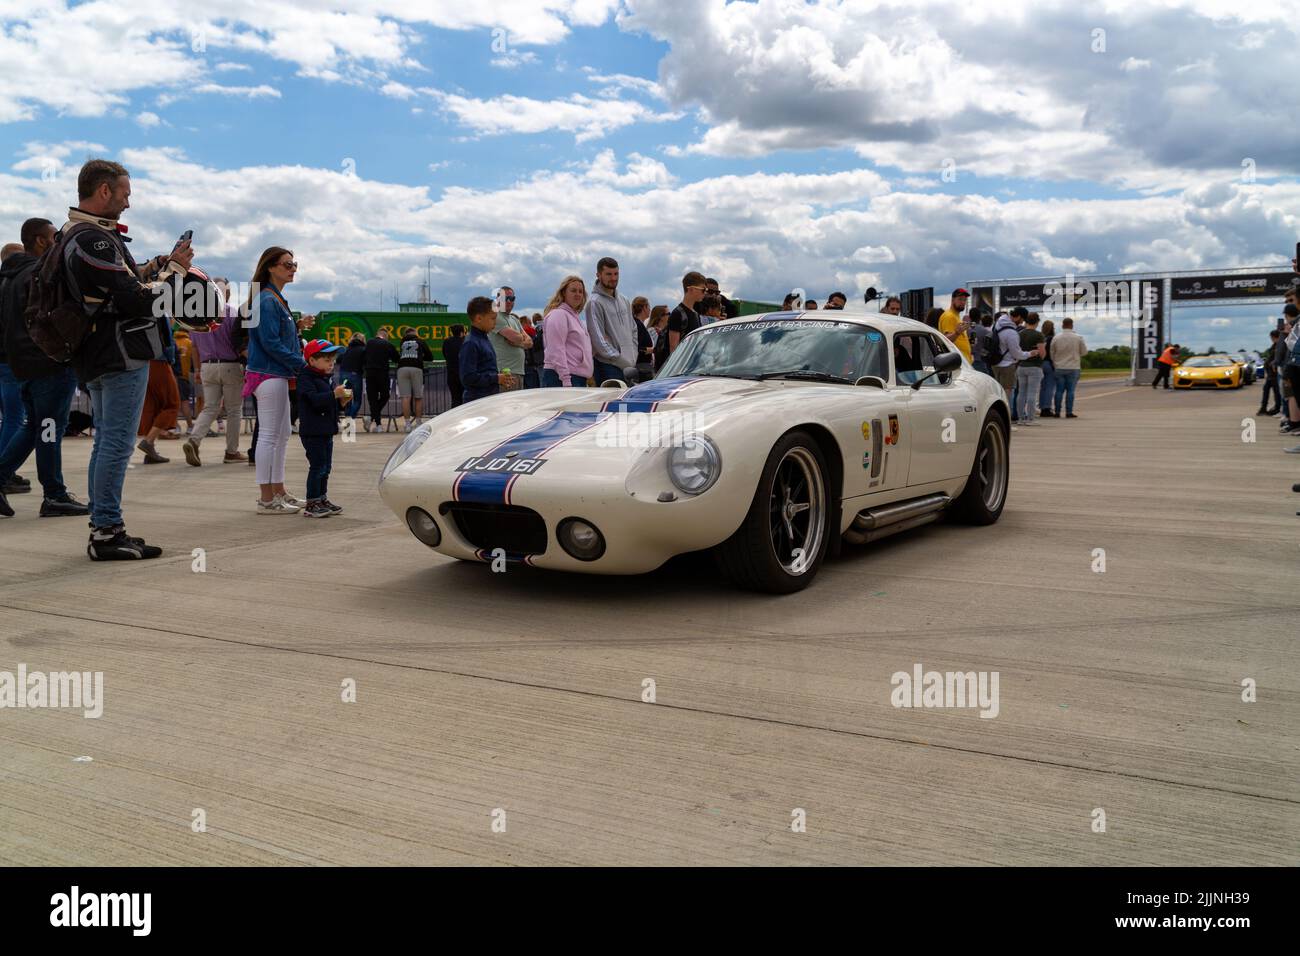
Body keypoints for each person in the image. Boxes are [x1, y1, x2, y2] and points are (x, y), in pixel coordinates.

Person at [62, 159, 194, 559]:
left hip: (98, 353)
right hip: (120, 353)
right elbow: (136, 299)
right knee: (117, 443)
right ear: (104, 191)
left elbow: (122, 280)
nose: (128, 204)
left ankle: (105, 526)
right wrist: (173, 271)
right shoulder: (93, 239)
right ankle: (105, 533)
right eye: (125, 194)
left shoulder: (79, 234)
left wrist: (155, 265)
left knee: (107, 443)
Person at [0, 218, 88, 518]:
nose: (59, 241)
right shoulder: (39, 274)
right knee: (49, 429)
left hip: (23, 366)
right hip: (49, 364)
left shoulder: (9, 277)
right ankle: (54, 495)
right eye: (55, 237)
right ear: (40, 241)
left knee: (34, 427)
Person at [244, 246, 306, 514]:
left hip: (275, 374)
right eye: (286, 264)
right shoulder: (268, 301)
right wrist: (302, 364)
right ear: (270, 267)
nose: (292, 269)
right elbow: (270, 342)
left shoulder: (272, 299)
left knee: (279, 436)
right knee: (270, 437)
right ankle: (267, 498)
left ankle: (278, 491)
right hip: (269, 374)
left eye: (294, 265)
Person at [182, 278, 246, 465]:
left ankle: (194, 439)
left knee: (210, 407)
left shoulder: (197, 315)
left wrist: (197, 370)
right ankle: (231, 452)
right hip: (230, 365)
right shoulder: (232, 314)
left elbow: (194, 347)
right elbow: (239, 342)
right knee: (234, 410)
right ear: (228, 294)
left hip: (206, 366)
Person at [297, 339, 350, 517]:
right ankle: (312, 503)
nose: (332, 363)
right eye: (327, 360)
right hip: (313, 431)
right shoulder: (306, 378)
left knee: (326, 467)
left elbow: (329, 405)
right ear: (312, 360)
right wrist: (333, 395)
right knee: (317, 467)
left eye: (333, 360)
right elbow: (314, 401)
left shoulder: (325, 379)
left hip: (325, 430)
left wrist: (341, 402)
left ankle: (321, 498)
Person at [585, 258, 637, 385]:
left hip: (630, 365)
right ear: (598, 275)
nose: (613, 278)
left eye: (616, 274)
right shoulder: (594, 303)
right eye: (608, 274)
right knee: (614, 404)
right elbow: (598, 339)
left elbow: (633, 329)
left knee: (627, 404)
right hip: (608, 366)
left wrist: (633, 354)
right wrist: (619, 359)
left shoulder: (624, 300)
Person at [541, 276, 593, 387]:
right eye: (573, 290)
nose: (578, 294)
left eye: (581, 291)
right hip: (561, 377)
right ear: (564, 293)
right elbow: (556, 349)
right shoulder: (558, 315)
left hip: (576, 377)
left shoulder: (574, 317)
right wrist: (566, 380)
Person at [461, 296, 512, 401]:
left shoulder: (484, 339)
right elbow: (468, 378)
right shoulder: (471, 343)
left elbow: (485, 369)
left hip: (487, 398)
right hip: (477, 401)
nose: (495, 322)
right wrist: (496, 378)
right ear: (479, 318)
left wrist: (500, 378)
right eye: (492, 318)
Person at [135, 350, 181, 463]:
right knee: (172, 404)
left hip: (140, 364)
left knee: (149, 407)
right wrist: (171, 359)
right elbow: (167, 341)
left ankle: (150, 453)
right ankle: (148, 441)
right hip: (159, 361)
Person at [489, 286, 531, 390]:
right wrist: (521, 339)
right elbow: (516, 337)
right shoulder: (496, 316)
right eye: (505, 298)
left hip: (518, 372)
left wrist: (519, 343)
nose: (509, 301)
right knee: (507, 405)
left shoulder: (514, 319)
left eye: (511, 299)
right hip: (505, 374)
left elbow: (530, 342)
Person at [663, 271, 707, 362]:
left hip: (692, 364)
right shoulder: (677, 314)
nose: (705, 293)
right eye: (703, 290)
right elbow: (673, 348)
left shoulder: (695, 314)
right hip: (682, 366)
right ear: (691, 289)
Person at [362, 327, 399, 432]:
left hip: (370, 373)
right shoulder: (388, 344)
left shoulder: (369, 343)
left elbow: (363, 357)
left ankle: (377, 424)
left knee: (372, 398)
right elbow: (396, 358)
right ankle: (374, 421)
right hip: (382, 373)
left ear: (377, 334)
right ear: (386, 336)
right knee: (385, 396)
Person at [396, 328, 433, 431]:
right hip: (416, 368)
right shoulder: (420, 341)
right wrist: (420, 357)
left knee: (405, 397)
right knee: (418, 397)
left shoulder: (402, 342)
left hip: (402, 368)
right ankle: (418, 422)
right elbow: (430, 357)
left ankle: (407, 424)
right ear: (415, 334)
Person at [1050, 317, 1087, 418]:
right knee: (1070, 391)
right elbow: (1084, 352)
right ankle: (1069, 412)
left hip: (1059, 367)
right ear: (1072, 325)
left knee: (1059, 390)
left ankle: (1057, 412)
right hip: (1073, 367)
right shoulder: (1078, 337)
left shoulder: (1056, 337)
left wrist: (1055, 362)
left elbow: (1052, 353)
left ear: (1062, 325)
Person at [1015, 313, 1046, 425]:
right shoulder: (1038, 335)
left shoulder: (1019, 334)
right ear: (1037, 322)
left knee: (1021, 392)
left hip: (1021, 365)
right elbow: (1042, 353)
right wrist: (1041, 356)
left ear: (1026, 321)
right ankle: (1030, 419)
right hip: (1034, 366)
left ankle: (1020, 418)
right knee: (1032, 393)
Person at [337, 332, 366, 420]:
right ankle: (350, 419)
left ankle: (347, 420)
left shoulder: (347, 349)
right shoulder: (364, 349)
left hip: (343, 374)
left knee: (347, 399)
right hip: (355, 375)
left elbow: (338, 360)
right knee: (357, 400)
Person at [938, 288, 973, 362]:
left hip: (962, 363)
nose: (963, 302)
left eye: (964, 300)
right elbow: (945, 340)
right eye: (960, 299)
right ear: (953, 300)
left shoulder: (956, 316)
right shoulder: (949, 316)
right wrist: (956, 333)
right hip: (957, 364)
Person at [1259, 328, 1282, 416]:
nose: (1271, 339)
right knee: (1267, 390)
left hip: (1274, 374)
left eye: (1272, 337)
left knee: (1276, 392)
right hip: (1270, 374)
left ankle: (1276, 408)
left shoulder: (1278, 346)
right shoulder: (1275, 346)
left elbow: (1275, 359)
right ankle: (1265, 407)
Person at [442, 325, 465, 407]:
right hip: (463, 373)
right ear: (462, 332)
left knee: (455, 398)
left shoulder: (447, 342)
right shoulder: (465, 341)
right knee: (465, 399)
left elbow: (444, 354)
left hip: (451, 374)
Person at [1037, 318, 1057, 417]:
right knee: (1050, 387)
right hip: (1049, 363)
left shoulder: (1040, 337)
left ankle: (1041, 406)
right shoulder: (1052, 339)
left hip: (1040, 364)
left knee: (1043, 387)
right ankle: (1046, 408)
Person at [523, 313, 543, 389]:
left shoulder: (533, 331)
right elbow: (536, 345)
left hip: (530, 363)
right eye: (529, 323)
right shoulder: (533, 332)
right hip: (534, 362)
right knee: (537, 385)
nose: (530, 325)